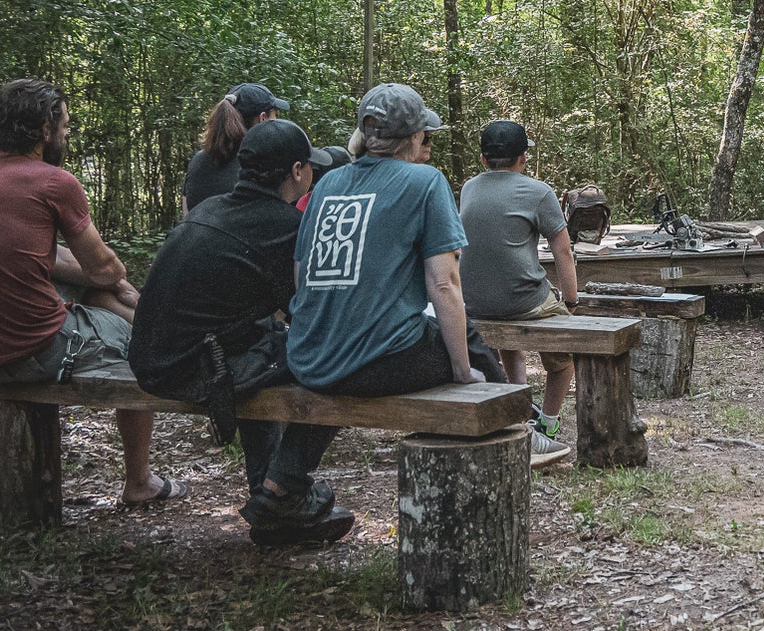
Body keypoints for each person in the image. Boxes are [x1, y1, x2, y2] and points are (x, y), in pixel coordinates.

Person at [0, 79, 181, 507]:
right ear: (44, 129)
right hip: (28, 351)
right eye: (64, 126)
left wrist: (102, 282)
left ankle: (142, 319)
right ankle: (139, 482)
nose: (67, 134)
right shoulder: (54, 182)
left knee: (93, 291)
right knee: (138, 342)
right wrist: (117, 282)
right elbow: (106, 268)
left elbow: (43, 258)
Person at [129, 120, 357, 545]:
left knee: (265, 345)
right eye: (310, 165)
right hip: (195, 368)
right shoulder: (285, 226)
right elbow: (310, 315)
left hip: (150, 357)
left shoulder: (210, 208)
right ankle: (283, 491)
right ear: (296, 172)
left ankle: (272, 502)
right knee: (340, 359)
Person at [287, 84, 504, 399]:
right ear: (416, 135)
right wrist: (461, 370)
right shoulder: (426, 181)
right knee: (468, 344)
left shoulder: (327, 183)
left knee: (425, 332)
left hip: (309, 360)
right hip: (379, 364)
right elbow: (444, 284)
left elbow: (301, 272)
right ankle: (519, 418)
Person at [459, 119, 578, 470]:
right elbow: (562, 250)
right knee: (564, 359)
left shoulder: (468, 189)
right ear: (523, 158)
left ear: (483, 159)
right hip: (523, 301)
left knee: (509, 340)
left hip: (474, 302)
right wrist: (571, 301)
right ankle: (548, 423)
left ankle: (518, 408)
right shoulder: (538, 192)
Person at [183, 83, 288, 213]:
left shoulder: (197, 161)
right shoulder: (263, 165)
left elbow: (187, 214)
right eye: (274, 116)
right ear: (263, 119)